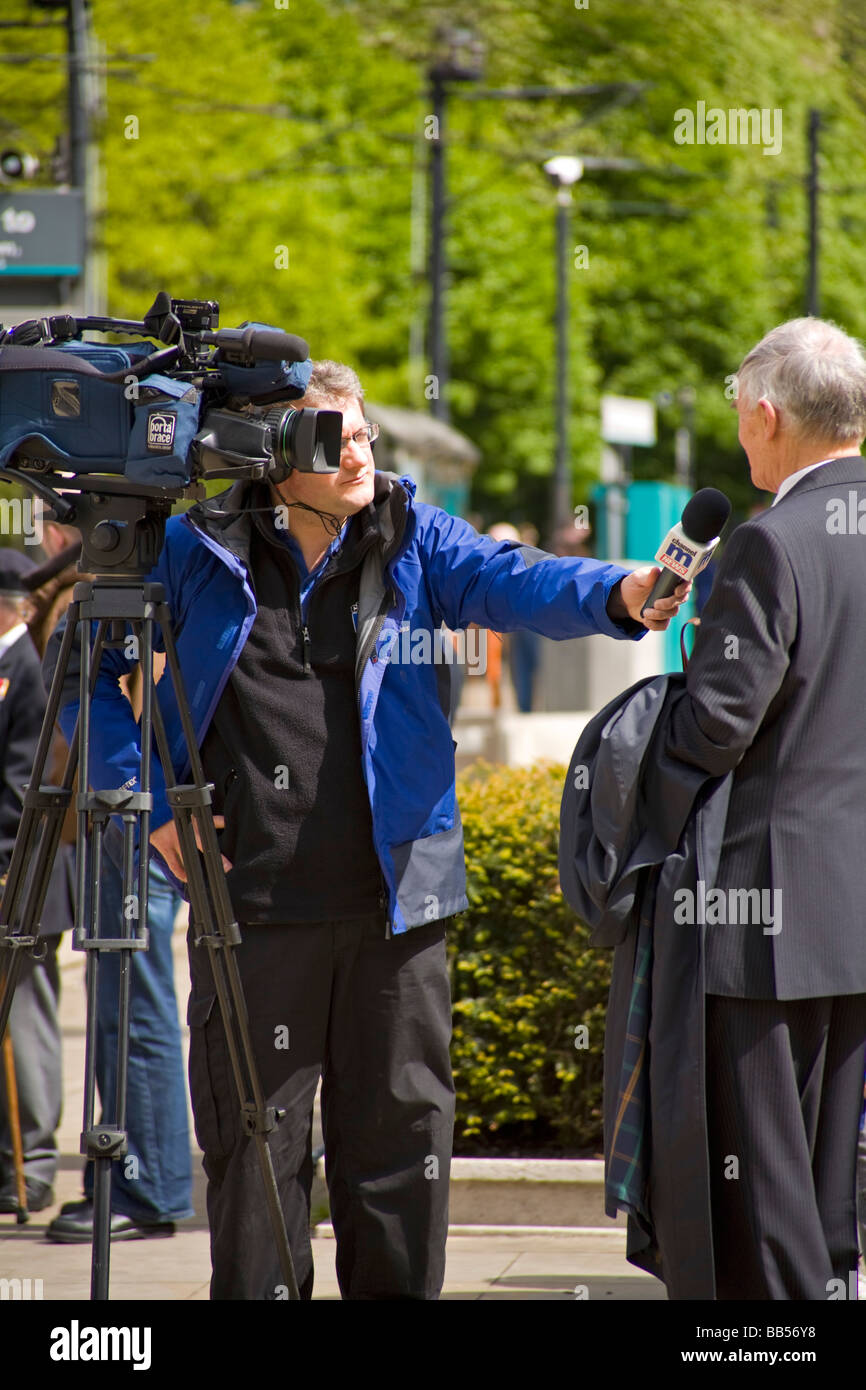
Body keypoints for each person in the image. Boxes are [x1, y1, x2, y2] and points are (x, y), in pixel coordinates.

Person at [47, 359, 689, 1299]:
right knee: (257, 1160)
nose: (359, 454)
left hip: (401, 909)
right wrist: (146, 805)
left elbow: (514, 578)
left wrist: (621, 594)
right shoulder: (196, 549)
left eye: (365, 433)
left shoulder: (411, 534)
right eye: (332, 438)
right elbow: (84, 675)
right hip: (252, 915)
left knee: (400, 1157)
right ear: (273, 456)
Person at [658, 317, 866, 1298]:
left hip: (765, 907)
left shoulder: (767, 544)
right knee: (826, 1186)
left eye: (741, 415)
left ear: (768, 415)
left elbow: (713, 727)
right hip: (850, 908)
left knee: (760, 1183)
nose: (740, 435)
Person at [22, 513, 193, 1241]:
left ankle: (146, 1184)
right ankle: (147, 1180)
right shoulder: (103, 590)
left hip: (127, 814)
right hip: (125, 811)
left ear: (64, 533)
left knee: (132, 994)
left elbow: (104, 706)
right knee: (131, 992)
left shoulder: (106, 594)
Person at [0, 548, 74, 1214]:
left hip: (17, 876)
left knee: (27, 1022)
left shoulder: (23, 667)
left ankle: (35, 1165)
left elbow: (24, 788)